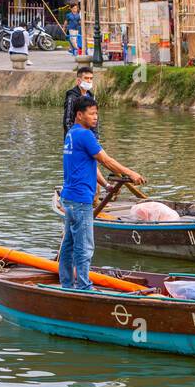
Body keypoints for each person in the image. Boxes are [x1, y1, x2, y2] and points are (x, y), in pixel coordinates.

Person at [58, 96, 143, 291]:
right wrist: (131, 173)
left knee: (69, 245)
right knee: (84, 246)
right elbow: (106, 160)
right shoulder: (86, 135)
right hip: (80, 200)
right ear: (80, 115)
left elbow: (91, 164)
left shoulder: (72, 133)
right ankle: (84, 287)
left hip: (69, 198)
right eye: (92, 114)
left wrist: (105, 185)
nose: (96, 117)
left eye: (97, 113)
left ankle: (67, 285)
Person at [63, 66, 96, 137]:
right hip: (76, 138)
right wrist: (73, 138)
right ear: (78, 81)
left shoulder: (91, 97)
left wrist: (95, 137)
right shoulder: (72, 97)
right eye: (86, 78)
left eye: (91, 78)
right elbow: (67, 122)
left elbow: (95, 120)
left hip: (89, 137)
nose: (89, 81)